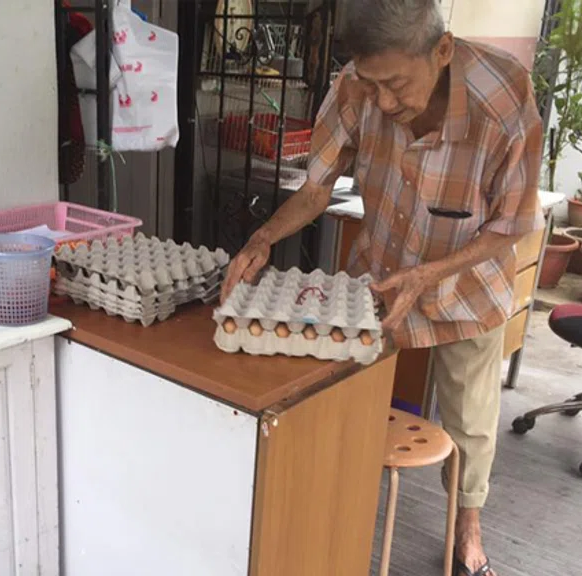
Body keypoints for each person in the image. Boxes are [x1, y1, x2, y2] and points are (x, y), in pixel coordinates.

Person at [220, 1, 543, 574]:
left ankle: (467, 527)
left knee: (469, 416)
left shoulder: (504, 96)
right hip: (383, 272)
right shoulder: (354, 86)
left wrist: (431, 274)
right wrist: (263, 238)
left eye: (395, 84)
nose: (384, 103)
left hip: (468, 280)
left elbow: (511, 226)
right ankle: (336, 511)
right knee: (348, 395)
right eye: (372, 86)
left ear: (442, 52)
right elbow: (318, 187)